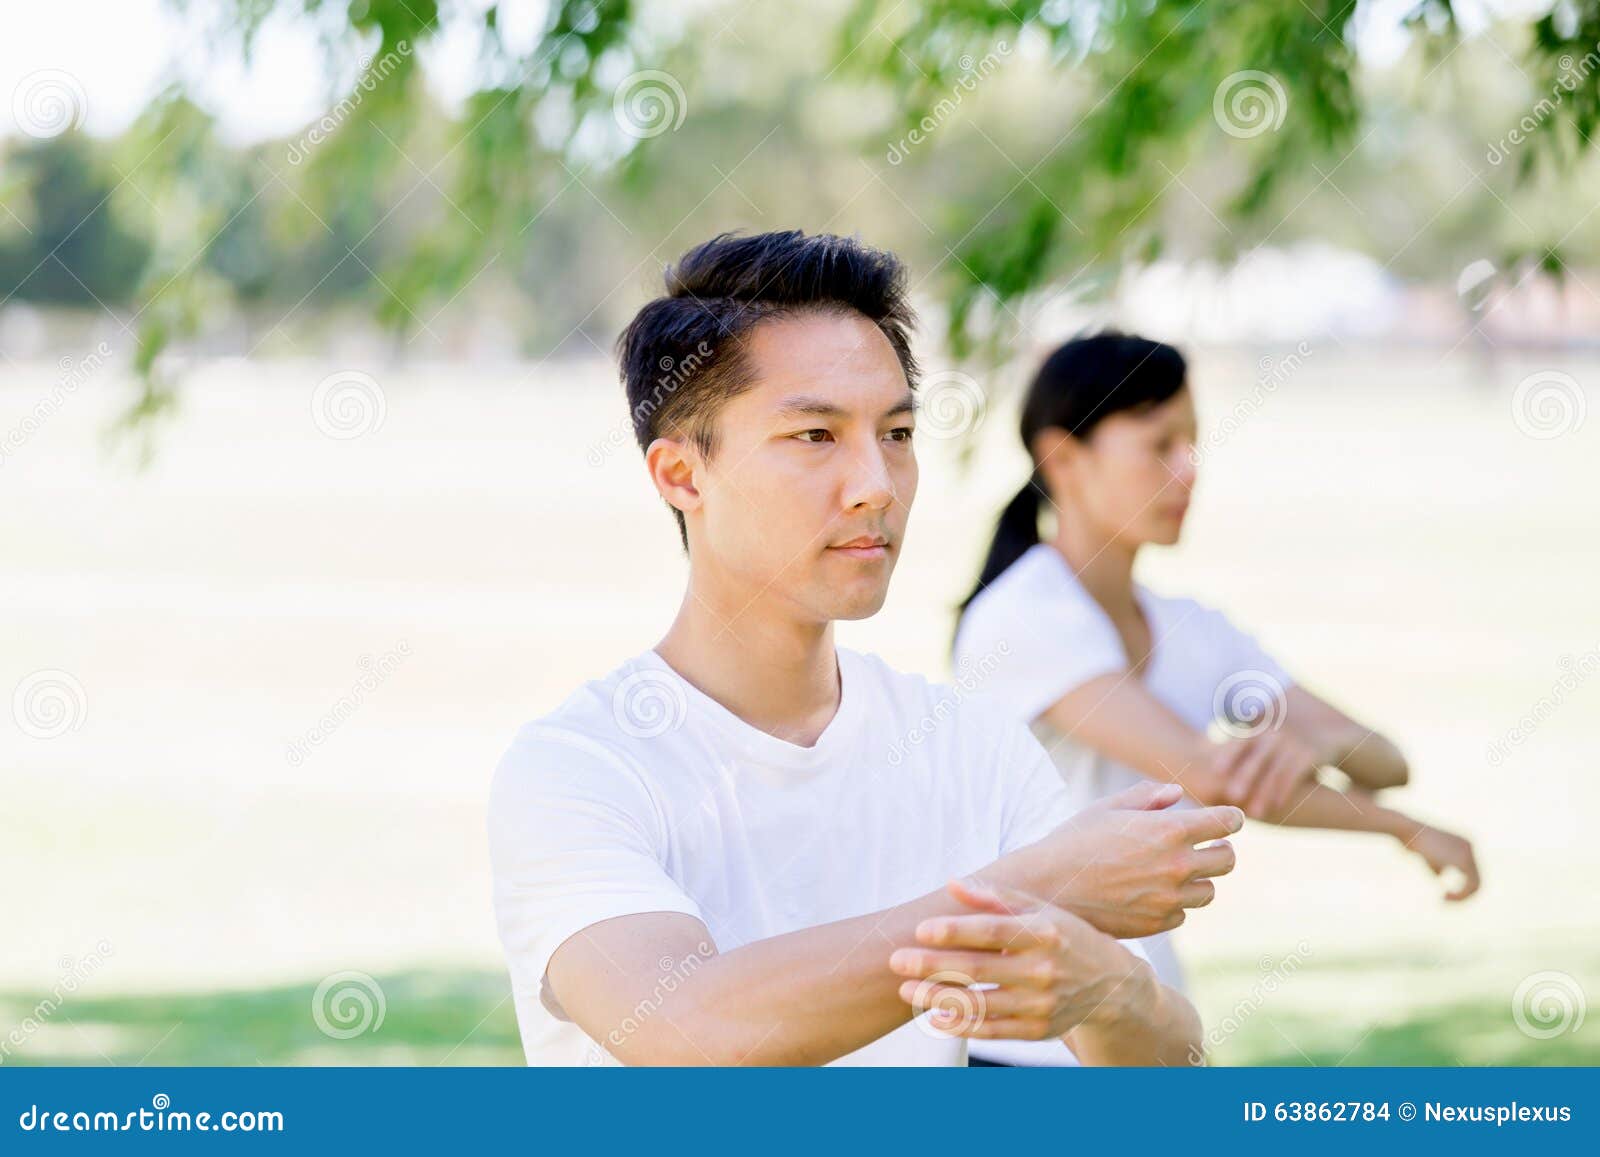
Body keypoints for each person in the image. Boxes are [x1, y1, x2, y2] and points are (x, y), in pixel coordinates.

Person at [489, 233, 1245, 1066]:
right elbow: (689, 1032)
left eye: (896, 432)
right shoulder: (579, 767)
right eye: (816, 434)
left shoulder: (971, 747)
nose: (877, 485)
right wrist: (1037, 884)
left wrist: (1115, 992)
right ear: (681, 474)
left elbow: (1168, 1070)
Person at [953, 332, 1481, 1067]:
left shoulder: (1193, 630)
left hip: (1144, 1023)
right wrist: (1406, 830)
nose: (1188, 470)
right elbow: (1213, 774)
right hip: (1020, 1045)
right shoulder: (1024, 617)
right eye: (1159, 446)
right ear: (1063, 459)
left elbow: (1387, 760)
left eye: (1193, 444)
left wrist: (1324, 742)